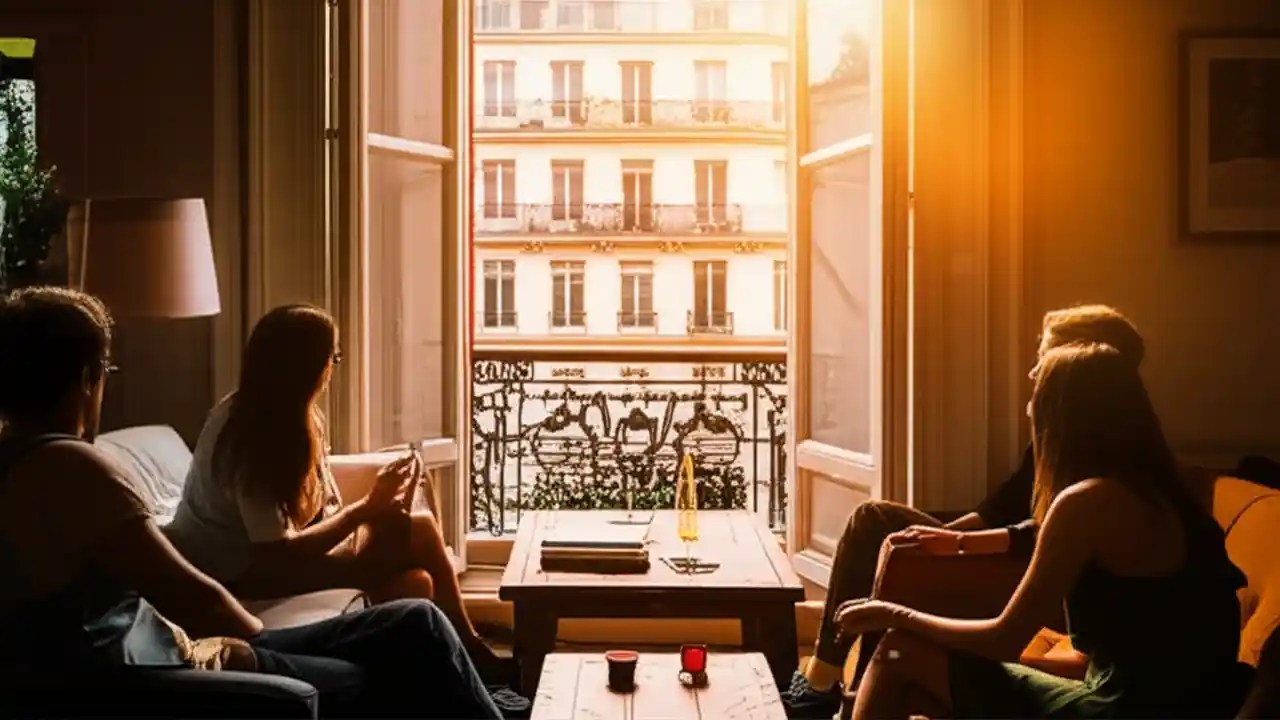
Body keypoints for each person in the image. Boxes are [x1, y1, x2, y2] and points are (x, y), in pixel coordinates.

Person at [0, 286, 504, 718]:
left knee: (416, 616)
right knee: (396, 647)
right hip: (171, 663)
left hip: (168, 651)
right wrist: (253, 638)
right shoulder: (76, 470)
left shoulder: (23, 460)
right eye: (104, 371)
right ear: (88, 378)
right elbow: (191, 596)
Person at [835, 342, 1253, 719]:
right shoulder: (1168, 494)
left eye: (1036, 399)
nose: (1029, 411)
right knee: (920, 694)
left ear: (1063, 418)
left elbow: (1004, 639)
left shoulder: (1086, 503)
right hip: (1186, 704)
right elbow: (1117, 654)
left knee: (897, 651)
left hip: (1125, 709)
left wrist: (896, 615)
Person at [784, 304, 1147, 717]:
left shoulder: (1091, 487)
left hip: (1041, 598)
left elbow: (1042, 556)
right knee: (884, 529)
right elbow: (1015, 517)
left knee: (883, 549)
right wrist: (951, 539)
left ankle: (821, 687)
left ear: (1081, 366)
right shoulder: (1120, 462)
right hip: (1025, 560)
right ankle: (830, 684)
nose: (1032, 373)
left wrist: (899, 610)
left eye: (1043, 358)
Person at [165, 305, 521, 696]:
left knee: (412, 574)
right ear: (308, 366)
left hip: (270, 560)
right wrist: (364, 511)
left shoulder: (297, 417)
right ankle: (469, 651)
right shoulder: (250, 439)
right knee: (417, 533)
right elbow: (275, 553)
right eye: (332, 358)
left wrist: (379, 508)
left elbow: (318, 510)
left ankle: (447, 666)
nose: (334, 369)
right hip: (242, 572)